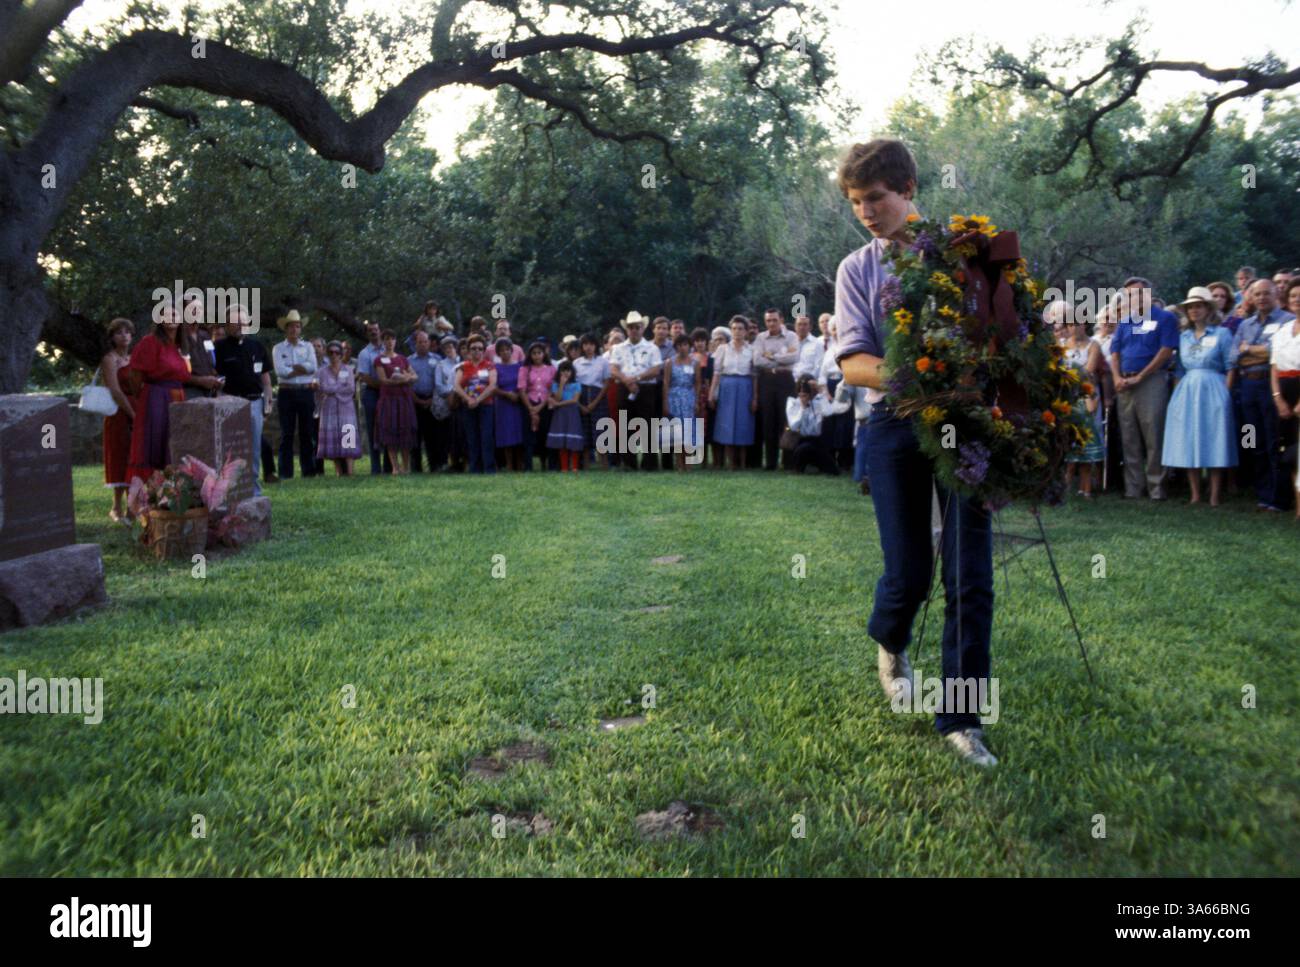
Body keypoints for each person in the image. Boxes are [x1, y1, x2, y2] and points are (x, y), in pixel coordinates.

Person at [834, 138, 996, 766]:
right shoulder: (858, 269)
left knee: (970, 577)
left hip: (966, 425)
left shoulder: (965, 256)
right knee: (909, 574)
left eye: (876, 198)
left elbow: (1001, 332)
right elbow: (853, 364)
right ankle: (890, 640)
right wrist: (921, 377)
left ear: (909, 191)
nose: (867, 212)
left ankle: (963, 719)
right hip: (895, 424)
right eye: (856, 202)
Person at [126, 305, 223, 483]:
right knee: (154, 443)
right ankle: (147, 491)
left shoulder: (179, 345)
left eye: (175, 313)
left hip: (177, 397)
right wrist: (144, 397)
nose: (171, 316)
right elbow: (135, 375)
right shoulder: (150, 342)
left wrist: (205, 380)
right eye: (166, 314)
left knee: (174, 445)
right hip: (156, 397)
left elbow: (183, 375)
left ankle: (172, 489)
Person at [1162, 287, 1237, 506]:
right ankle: (1195, 494)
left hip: (1214, 387)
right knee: (1189, 438)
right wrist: (1176, 397)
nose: (1194, 311)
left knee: (1215, 438)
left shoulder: (1222, 334)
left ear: (1207, 309)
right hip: (1187, 389)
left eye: (1198, 306)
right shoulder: (1183, 337)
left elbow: (1230, 366)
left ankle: (1214, 494)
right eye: (1190, 307)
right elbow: (1179, 370)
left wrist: (1226, 394)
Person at [1108, 277, 1179, 500]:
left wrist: (1141, 376)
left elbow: (1166, 351)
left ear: (1148, 293)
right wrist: (1117, 377)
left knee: (1153, 435)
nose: (1134, 298)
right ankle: (1133, 488)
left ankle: (1156, 488)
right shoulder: (1125, 322)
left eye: (1138, 293)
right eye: (1129, 294)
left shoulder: (1165, 318)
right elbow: (1115, 353)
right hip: (1125, 383)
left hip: (1151, 381)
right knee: (1129, 437)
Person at [1233, 279, 1295, 511]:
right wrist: (1258, 352)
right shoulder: (1244, 324)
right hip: (1247, 388)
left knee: (1273, 440)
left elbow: (1276, 354)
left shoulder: (1287, 322)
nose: (1261, 298)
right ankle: (1259, 491)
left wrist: (1249, 350)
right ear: (1250, 297)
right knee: (1250, 438)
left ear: (1276, 295)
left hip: (1270, 387)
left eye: (1266, 293)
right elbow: (1234, 356)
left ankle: (1277, 496)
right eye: (1256, 294)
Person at [214, 305, 273, 496]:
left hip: (255, 403)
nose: (240, 325)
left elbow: (266, 379)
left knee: (254, 448)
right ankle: (229, 490)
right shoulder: (219, 347)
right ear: (227, 324)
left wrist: (268, 405)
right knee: (229, 449)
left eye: (243, 321)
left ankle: (253, 490)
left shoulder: (257, 346)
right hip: (229, 403)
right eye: (235, 321)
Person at [609, 312, 664, 470]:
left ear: (643, 329)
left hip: (646, 388)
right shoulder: (617, 348)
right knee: (625, 426)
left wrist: (636, 378)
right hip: (624, 388)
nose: (634, 330)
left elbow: (655, 370)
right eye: (631, 327)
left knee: (648, 426)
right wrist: (627, 380)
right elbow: (613, 369)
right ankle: (628, 464)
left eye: (637, 327)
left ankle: (649, 464)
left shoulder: (652, 348)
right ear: (627, 329)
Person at [1060, 306, 1104, 497]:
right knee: (1067, 441)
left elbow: (1088, 371)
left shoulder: (1093, 345)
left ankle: (1085, 487)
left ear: (1084, 324)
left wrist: (1069, 372)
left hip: (1086, 397)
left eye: (1076, 323)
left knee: (1086, 439)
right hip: (1065, 397)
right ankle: (1065, 486)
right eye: (1069, 324)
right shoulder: (1060, 344)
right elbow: (1055, 369)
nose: (1073, 328)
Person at [272, 310, 319, 479]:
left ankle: (309, 471)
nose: (294, 330)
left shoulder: (308, 347)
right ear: (286, 329)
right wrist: (300, 368)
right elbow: (281, 371)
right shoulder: (278, 348)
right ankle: (285, 472)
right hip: (286, 393)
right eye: (291, 327)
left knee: (307, 432)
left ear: (300, 329)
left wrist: (293, 368)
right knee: (287, 433)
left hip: (305, 392)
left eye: (297, 326)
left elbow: (313, 367)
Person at [708, 315, 757, 471]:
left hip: (745, 385)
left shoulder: (751, 350)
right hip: (727, 386)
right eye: (734, 328)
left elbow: (755, 375)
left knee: (743, 423)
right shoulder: (723, 349)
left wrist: (755, 397)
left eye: (740, 328)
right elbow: (716, 373)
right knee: (727, 423)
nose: (737, 332)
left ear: (746, 331)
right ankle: (731, 464)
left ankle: (742, 463)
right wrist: (711, 393)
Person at [753, 308, 799, 470]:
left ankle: (787, 462)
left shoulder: (792, 336)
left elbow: (794, 357)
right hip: (767, 381)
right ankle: (771, 462)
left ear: (781, 319)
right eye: (768, 321)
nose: (771, 323)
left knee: (786, 421)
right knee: (768, 421)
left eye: (774, 320)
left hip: (785, 380)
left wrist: (771, 356)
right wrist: (781, 358)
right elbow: (757, 361)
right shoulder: (760, 338)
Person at [100, 318, 135, 521]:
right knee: (119, 456)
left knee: (134, 456)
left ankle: (132, 505)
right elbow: (115, 390)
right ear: (112, 337)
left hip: (136, 407)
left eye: (128, 332)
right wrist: (132, 413)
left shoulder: (132, 359)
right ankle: (116, 506)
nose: (124, 336)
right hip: (119, 412)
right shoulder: (109, 359)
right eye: (119, 332)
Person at [1270, 280, 1300, 512]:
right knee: (1286, 449)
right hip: (1283, 389)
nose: (1297, 300)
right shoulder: (1281, 332)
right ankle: (1283, 500)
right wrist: (1278, 397)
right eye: (1293, 296)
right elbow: (1274, 367)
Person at [374, 329, 417, 475]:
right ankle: (395, 467)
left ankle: (406, 467)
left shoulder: (403, 359)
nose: (390, 342)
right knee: (390, 432)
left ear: (395, 341)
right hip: (388, 400)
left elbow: (415, 376)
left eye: (392, 339)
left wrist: (405, 379)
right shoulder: (379, 360)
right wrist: (403, 379)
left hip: (404, 399)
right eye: (386, 339)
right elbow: (383, 380)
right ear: (383, 341)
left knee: (405, 432)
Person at [315, 340, 362, 475]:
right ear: (327, 354)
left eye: (336, 352)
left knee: (348, 437)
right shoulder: (322, 372)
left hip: (346, 407)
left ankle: (350, 471)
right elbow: (323, 387)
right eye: (331, 353)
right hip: (329, 408)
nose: (334, 355)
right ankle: (338, 472)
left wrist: (333, 391)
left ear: (341, 354)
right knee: (333, 437)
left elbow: (351, 388)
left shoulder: (348, 369)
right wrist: (339, 388)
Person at [455, 333, 497, 473]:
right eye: (473, 348)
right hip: (468, 407)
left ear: (484, 350)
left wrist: (478, 400)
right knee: (472, 437)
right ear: (468, 350)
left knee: (486, 437)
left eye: (480, 348)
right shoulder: (463, 366)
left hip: (486, 405)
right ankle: (475, 469)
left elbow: (492, 386)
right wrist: (468, 399)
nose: (477, 351)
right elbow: (456, 386)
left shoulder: (490, 366)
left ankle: (489, 469)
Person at [354, 321, 392, 475]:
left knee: (388, 427)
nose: (374, 332)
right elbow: (364, 376)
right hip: (372, 393)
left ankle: (389, 466)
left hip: (389, 393)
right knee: (372, 429)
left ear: (380, 331)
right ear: (367, 334)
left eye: (376, 329)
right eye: (370, 331)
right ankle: (376, 467)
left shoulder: (388, 349)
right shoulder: (364, 353)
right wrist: (382, 384)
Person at [784, 375, 839, 475]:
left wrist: (821, 391)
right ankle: (799, 468)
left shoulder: (817, 402)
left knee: (833, 470)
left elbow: (829, 412)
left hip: (816, 441)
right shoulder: (793, 402)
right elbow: (793, 426)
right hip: (798, 440)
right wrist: (803, 408)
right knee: (804, 448)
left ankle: (815, 466)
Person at [662, 333, 702, 471]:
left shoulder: (695, 363)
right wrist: (665, 402)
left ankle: (689, 464)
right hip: (674, 398)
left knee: (689, 432)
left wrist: (696, 401)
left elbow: (697, 383)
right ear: (675, 347)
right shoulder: (669, 362)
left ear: (690, 346)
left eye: (685, 344)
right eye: (679, 345)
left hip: (688, 399)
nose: (682, 348)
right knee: (677, 433)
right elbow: (666, 383)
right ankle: (679, 464)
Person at [519, 339, 557, 471]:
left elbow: (552, 390)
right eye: (534, 353)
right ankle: (528, 466)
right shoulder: (524, 369)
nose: (536, 356)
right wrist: (530, 408)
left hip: (546, 405)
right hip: (529, 403)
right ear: (530, 355)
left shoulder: (551, 369)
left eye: (539, 353)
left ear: (544, 354)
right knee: (529, 437)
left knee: (546, 434)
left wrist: (539, 407)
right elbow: (522, 389)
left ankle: (549, 465)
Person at [574, 332, 611, 468]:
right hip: (581, 395)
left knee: (601, 430)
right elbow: (574, 385)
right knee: (584, 429)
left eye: (591, 344)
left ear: (596, 345)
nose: (588, 347)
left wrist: (595, 402)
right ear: (582, 346)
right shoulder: (576, 363)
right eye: (585, 344)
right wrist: (580, 404)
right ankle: (586, 464)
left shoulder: (603, 362)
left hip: (598, 396)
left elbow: (606, 383)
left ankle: (604, 463)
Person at [406, 330, 441, 472]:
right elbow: (407, 384)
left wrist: (432, 399)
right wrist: (418, 400)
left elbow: (439, 381)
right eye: (420, 342)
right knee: (415, 435)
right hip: (415, 400)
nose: (423, 344)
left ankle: (434, 465)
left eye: (425, 341)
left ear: (429, 343)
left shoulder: (437, 359)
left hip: (433, 400)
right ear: (415, 343)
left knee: (432, 436)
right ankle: (416, 467)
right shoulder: (408, 361)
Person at [492, 337, 526, 470]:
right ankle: (509, 465)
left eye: (507, 349)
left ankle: (519, 464)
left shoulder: (519, 366)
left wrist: (518, 395)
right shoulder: (495, 367)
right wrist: (507, 394)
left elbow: (524, 383)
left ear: (512, 350)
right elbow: (493, 387)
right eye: (502, 350)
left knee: (518, 433)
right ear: (498, 353)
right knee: (506, 435)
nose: (505, 352)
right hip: (503, 405)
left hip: (518, 403)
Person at [546, 360, 585, 471]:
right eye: (563, 370)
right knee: (562, 441)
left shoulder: (577, 385)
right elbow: (557, 397)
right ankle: (564, 468)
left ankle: (575, 467)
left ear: (572, 372)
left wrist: (558, 404)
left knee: (573, 439)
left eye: (568, 370)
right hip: (560, 415)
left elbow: (574, 400)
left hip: (572, 413)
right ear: (559, 372)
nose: (566, 373)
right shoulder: (555, 385)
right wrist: (562, 385)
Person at [433, 335, 461, 472]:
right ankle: (447, 462)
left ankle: (461, 462)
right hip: (446, 404)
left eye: (451, 346)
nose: (449, 349)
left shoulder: (463, 362)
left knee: (459, 434)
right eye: (446, 347)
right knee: (446, 435)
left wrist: (458, 394)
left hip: (462, 402)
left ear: (456, 347)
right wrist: (452, 392)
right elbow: (438, 385)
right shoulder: (441, 365)